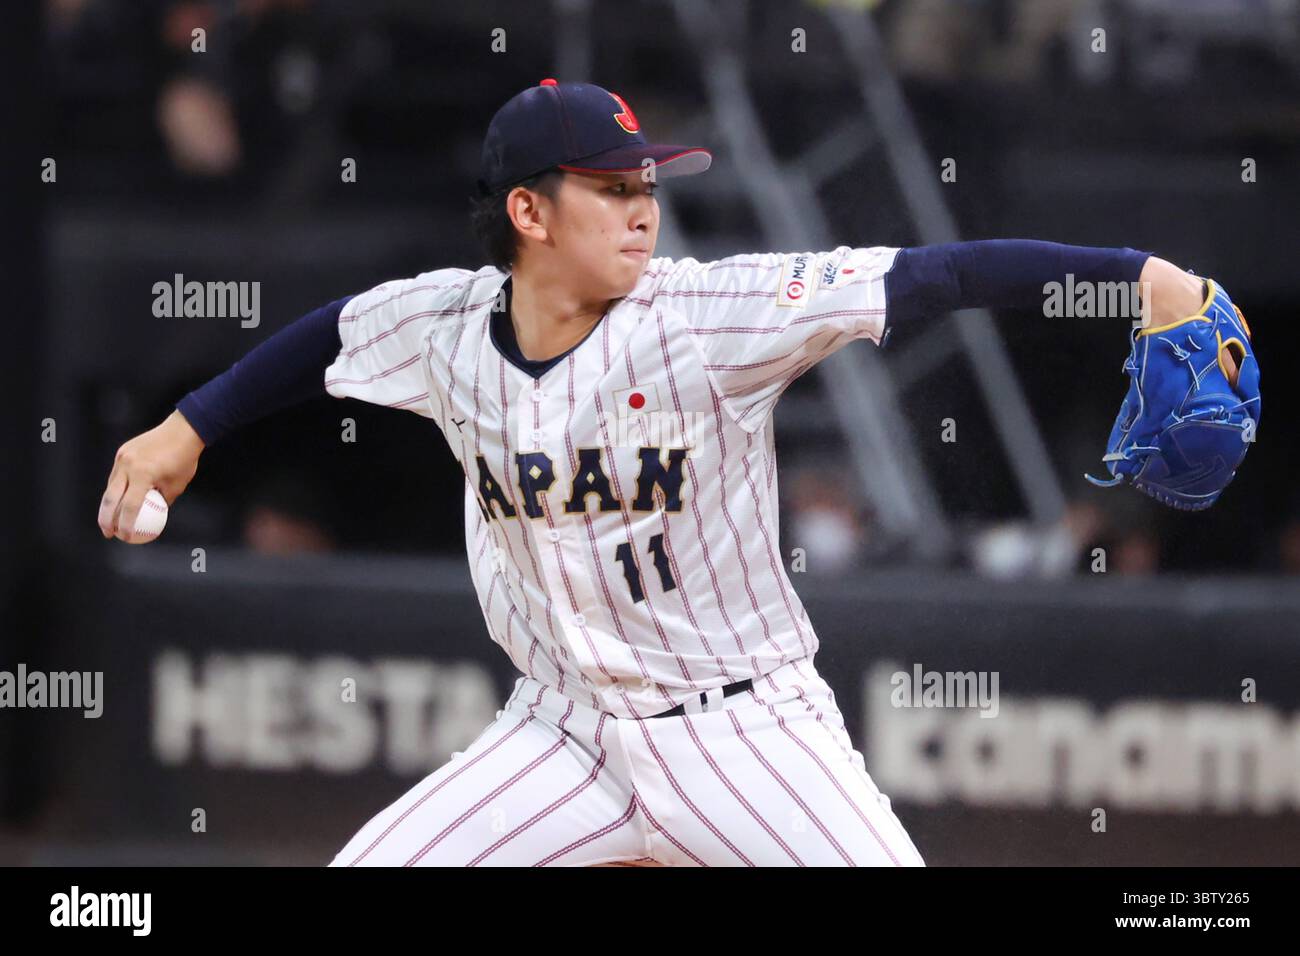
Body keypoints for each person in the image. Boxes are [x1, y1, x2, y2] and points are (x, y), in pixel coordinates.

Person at [98, 79, 1216, 866]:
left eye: (648, 180)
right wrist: (185, 430)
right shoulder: (443, 326)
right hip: (558, 731)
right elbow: (330, 336)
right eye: (610, 186)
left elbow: (934, 274)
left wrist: (1138, 274)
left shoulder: (707, 316)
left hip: (745, 730)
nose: (644, 205)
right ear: (528, 211)